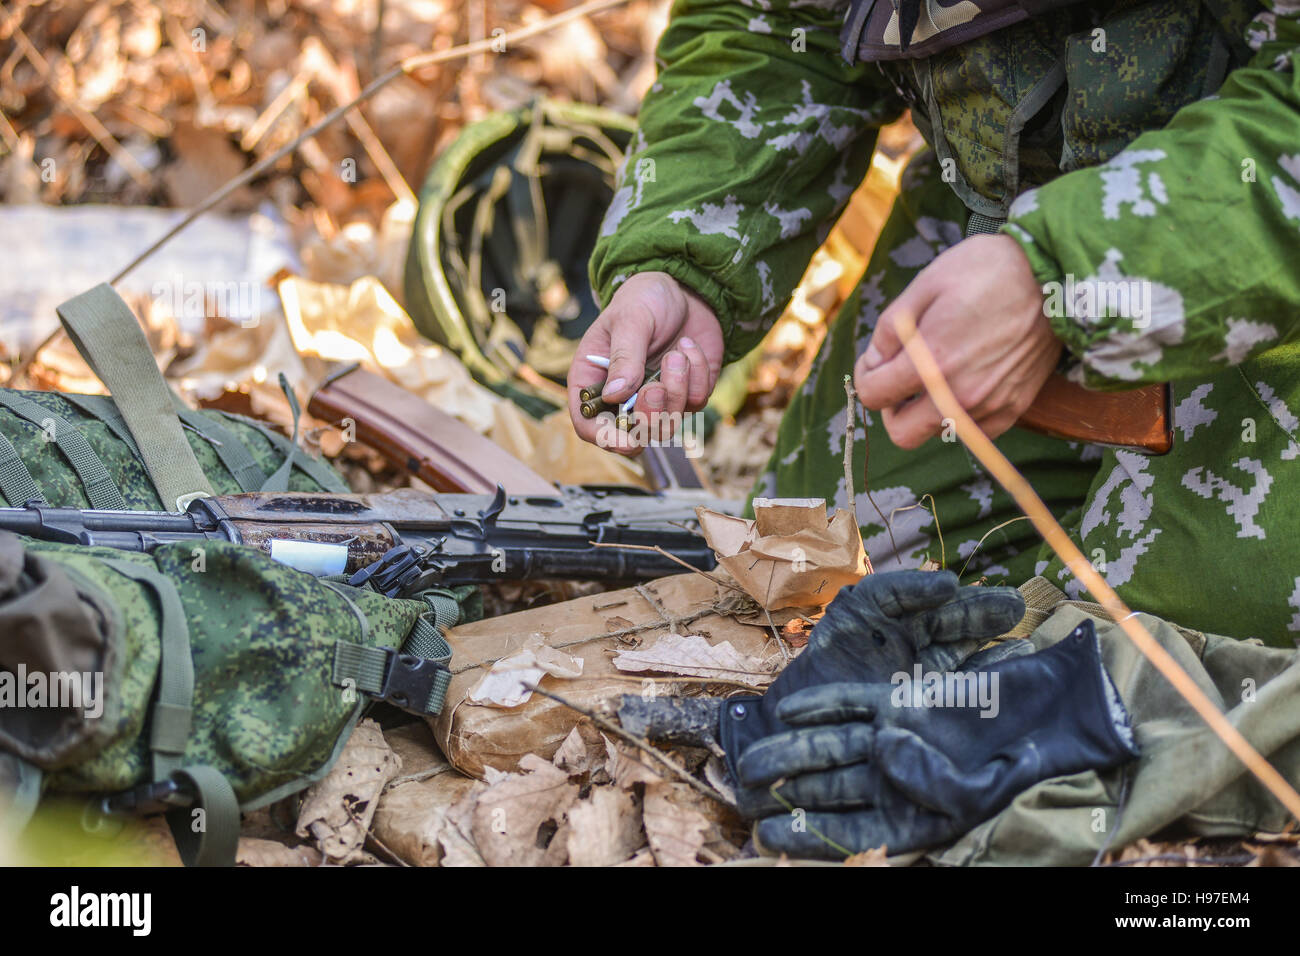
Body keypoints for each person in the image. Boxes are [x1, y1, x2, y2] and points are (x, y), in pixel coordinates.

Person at [567, 0, 1300, 645]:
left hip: (1253, 245)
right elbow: (778, 24)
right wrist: (683, 259)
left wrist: (1067, 272)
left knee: (1150, 677)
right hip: (997, 201)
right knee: (814, 584)